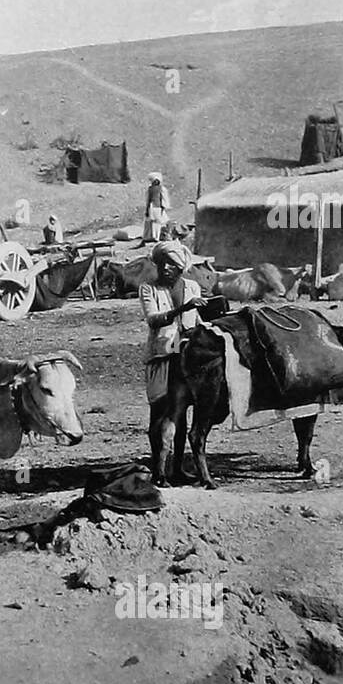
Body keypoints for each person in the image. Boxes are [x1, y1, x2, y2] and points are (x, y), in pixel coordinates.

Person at [139, 241, 202, 486]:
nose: (165, 268)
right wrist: (184, 308)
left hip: (186, 358)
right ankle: (159, 471)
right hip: (161, 357)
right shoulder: (149, 289)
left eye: (171, 264)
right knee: (160, 412)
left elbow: (198, 319)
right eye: (162, 263)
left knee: (182, 414)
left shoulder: (192, 287)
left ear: (180, 267)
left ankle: (177, 468)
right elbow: (154, 320)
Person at [143, 173, 171, 243]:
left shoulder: (162, 189)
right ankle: (151, 236)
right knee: (151, 222)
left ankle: (157, 237)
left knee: (158, 222)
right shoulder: (150, 189)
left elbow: (164, 198)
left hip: (158, 207)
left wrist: (163, 206)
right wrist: (147, 208)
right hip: (152, 207)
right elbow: (148, 199)